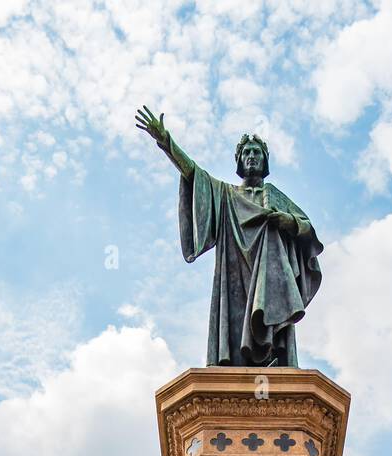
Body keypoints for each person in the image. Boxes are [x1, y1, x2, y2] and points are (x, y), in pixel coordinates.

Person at [136, 109, 323, 367]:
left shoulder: (275, 197)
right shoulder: (226, 196)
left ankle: (274, 354)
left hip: (269, 274)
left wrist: (286, 221)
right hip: (235, 270)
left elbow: (307, 231)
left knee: (270, 312)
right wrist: (166, 142)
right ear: (238, 161)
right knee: (234, 320)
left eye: (257, 152)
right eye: (246, 152)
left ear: (265, 161)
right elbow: (194, 174)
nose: (251, 157)